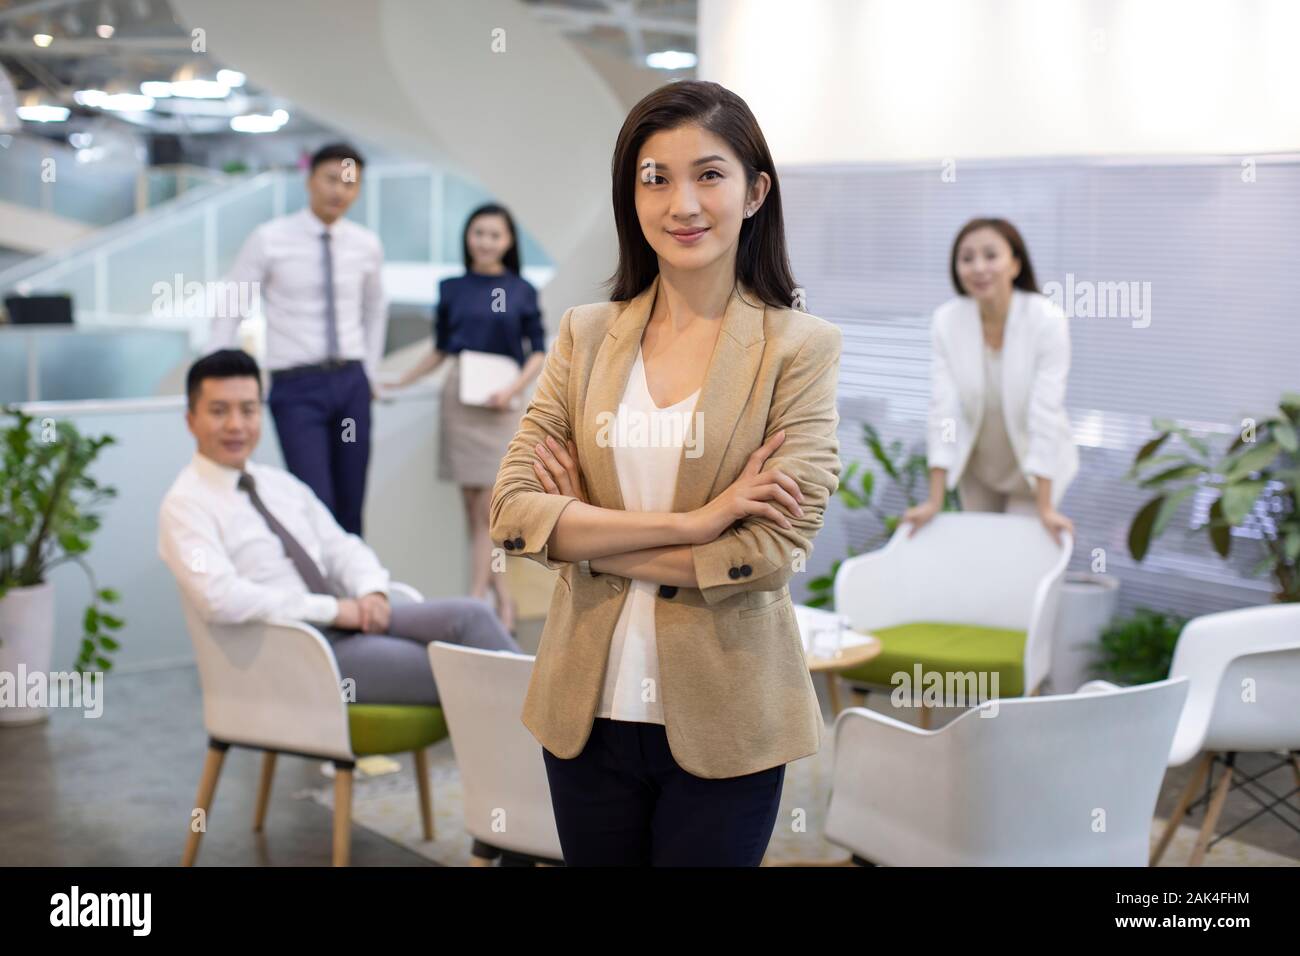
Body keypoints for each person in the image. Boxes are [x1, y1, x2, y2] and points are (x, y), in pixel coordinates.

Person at [490, 80, 842, 866]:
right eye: (656, 177)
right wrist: (695, 523)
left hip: (728, 712)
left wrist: (580, 534)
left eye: (709, 174)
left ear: (755, 192)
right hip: (586, 708)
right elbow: (514, 514)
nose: (682, 202)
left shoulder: (800, 349)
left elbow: (767, 554)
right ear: (632, 196)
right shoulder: (585, 336)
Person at [159, 350, 520, 708]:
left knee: (473, 616)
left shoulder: (279, 485)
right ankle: (548, 742)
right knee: (461, 670)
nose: (236, 425)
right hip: (296, 648)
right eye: (219, 411)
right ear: (191, 419)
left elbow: (342, 546)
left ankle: (549, 734)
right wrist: (333, 610)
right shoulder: (186, 505)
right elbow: (221, 598)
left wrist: (372, 592)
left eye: (248, 410)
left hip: (350, 619)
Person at [209, 142, 387, 537]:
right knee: (313, 502)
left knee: (351, 502)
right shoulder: (270, 238)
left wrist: (370, 372)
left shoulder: (366, 244)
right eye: (330, 179)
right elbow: (231, 305)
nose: (339, 191)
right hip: (296, 387)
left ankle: (359, 596)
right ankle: (321, 599)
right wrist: (215, 380)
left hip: (351, 385)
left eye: (350, 184)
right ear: (309, 181)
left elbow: (376, 310)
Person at [392, 204, 546, 633]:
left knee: (490, 511)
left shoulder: (521, 290)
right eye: (478, 233)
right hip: (460, 401)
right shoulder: (452, 288)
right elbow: (441, 349)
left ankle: (479, 598)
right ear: (467, 237)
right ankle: (502, 603)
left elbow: (537, 350)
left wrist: (512, 390)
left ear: (508, 241)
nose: (485, 242)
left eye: (494, 235)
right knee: (473, 512)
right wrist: (400, 382)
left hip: (501, 405)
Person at [903, 217, 1078, 544]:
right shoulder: (947, 320)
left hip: (1033, 469)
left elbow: (1045, 412)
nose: (978, 267)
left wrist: (1045, 506)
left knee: (1018, 555)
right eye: (966, 258)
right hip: (981, 468)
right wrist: (934, 500)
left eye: (990, 255)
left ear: (1015, 264)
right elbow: (944, 410)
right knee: (981, 553)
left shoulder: (1046, 320)